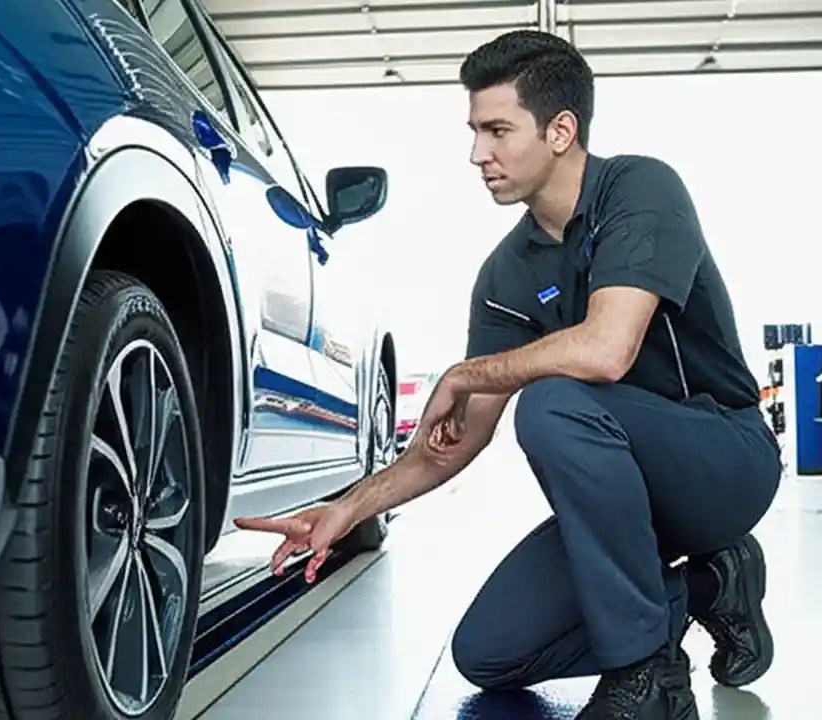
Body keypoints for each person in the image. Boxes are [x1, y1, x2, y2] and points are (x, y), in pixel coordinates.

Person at [234, 29, 781, 720]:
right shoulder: (506, 274)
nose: (476, 154)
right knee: (490, 655)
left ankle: (646, 679)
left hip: (722, 464)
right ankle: (713, 583)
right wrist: (348, 509)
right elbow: (457, 442)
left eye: (496, 130)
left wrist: (472, 371)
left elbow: (608, 349)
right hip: (625, 506)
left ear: (560, 130)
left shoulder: (641, 190)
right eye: (473, 131)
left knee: (551, 404)